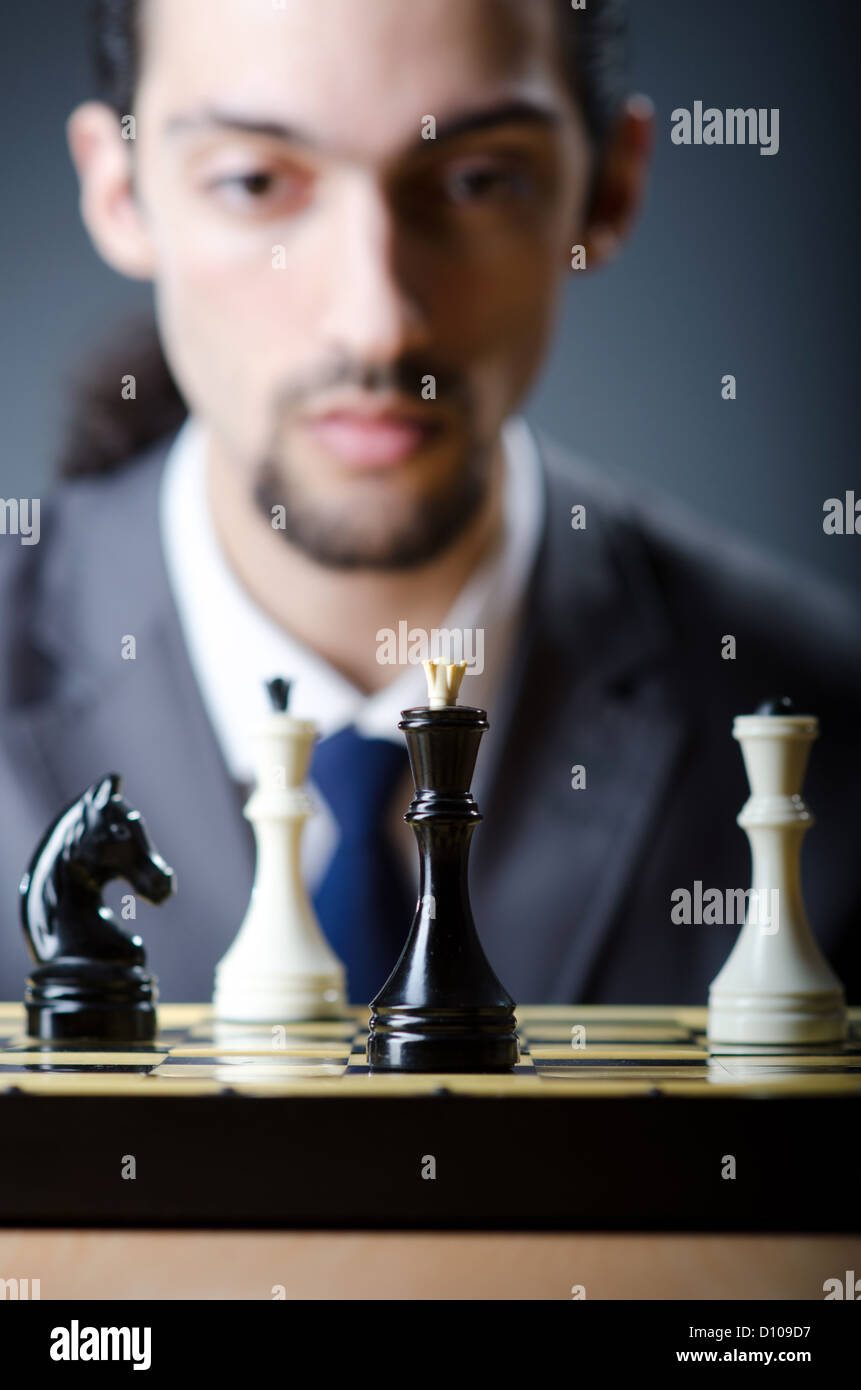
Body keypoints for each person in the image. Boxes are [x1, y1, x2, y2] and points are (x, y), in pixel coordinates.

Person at [0, 0, 859, 1005]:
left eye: (478, 180)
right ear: (119, 191)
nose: (376, 324)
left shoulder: (838, 729)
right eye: (254, 181)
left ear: (610, 185)